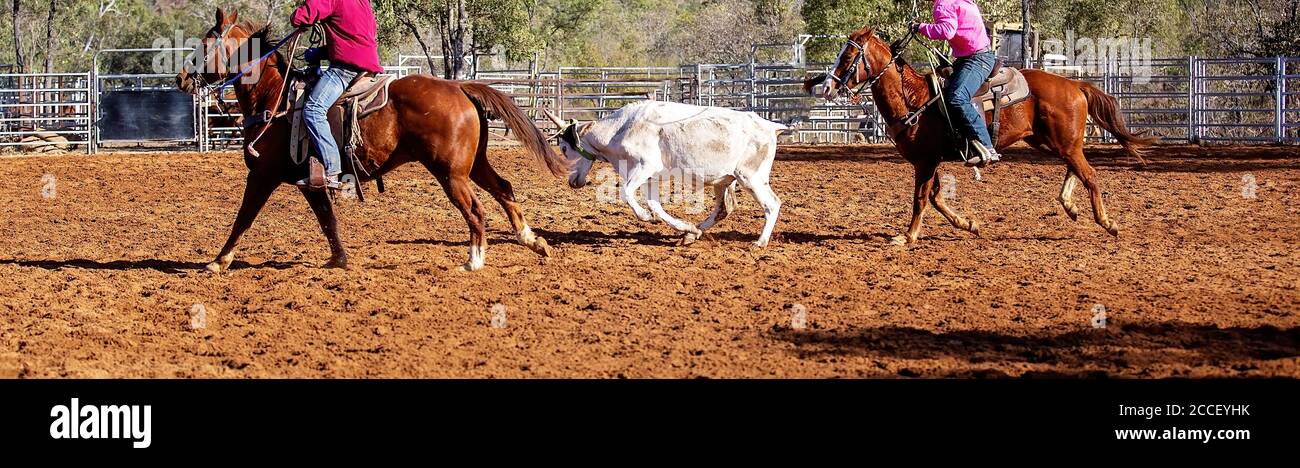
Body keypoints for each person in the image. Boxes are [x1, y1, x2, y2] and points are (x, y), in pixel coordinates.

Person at [291, 0, 384, 188]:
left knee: (313, 110)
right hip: (366, 65)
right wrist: (322, 53)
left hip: (345, 69)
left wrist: (298, 12)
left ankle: (332, 169)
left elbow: (301, 16)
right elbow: (353, 37)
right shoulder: (363, 2)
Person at [912, 0, 1000, 166]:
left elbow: (947, 31)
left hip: (976, 59)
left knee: (957, 97)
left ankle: (987, 147)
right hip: (970, 56)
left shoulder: (943, 4)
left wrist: (920, 27)